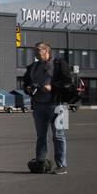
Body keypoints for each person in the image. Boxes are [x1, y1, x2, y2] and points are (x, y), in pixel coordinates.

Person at [23, 42, 71, 175]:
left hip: (59, 105)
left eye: (38, 50)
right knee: (41, 136)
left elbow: (68, 81)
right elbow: (26, 83)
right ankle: (40, 162)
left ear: (47, 50)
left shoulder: (59, 63)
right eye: (34, 50)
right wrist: (27, 89)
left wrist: (52, 87)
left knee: (59, 135)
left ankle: (62, 165)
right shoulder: (32, 66)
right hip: (38, 105)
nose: (35, 52)